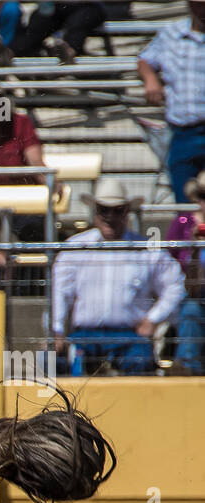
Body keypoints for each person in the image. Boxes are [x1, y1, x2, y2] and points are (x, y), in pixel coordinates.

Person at [51, 179, 186, 375]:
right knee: (54, 361)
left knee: (140, 360)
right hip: (85, 335)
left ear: (126, 212)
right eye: (104, 210)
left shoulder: (147, 249)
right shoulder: (75, 248)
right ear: (95, 211)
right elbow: (59, 293)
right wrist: (57, 331)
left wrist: (152, 320)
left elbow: (175, 286)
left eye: (117, 210)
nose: (110, 216)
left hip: (129, 335)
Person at [138, 2, 205, 204]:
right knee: (184, 205)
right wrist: (150, 78)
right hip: (183, 132)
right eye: (198, 4)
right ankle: (187, 235)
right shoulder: (170, 33)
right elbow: (145, 59)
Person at [0, 2, 105, 66]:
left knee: (79, 20)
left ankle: (69, 52)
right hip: (57, 6)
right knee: (38, 22)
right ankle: (9, 53)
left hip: (88, 6)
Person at [169, 169, 205, 373]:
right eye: (203, 196)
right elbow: (188, 286)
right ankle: (189, 369)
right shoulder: (182, 224)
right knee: (191, 309)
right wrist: (194, 249)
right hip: (195, 295)